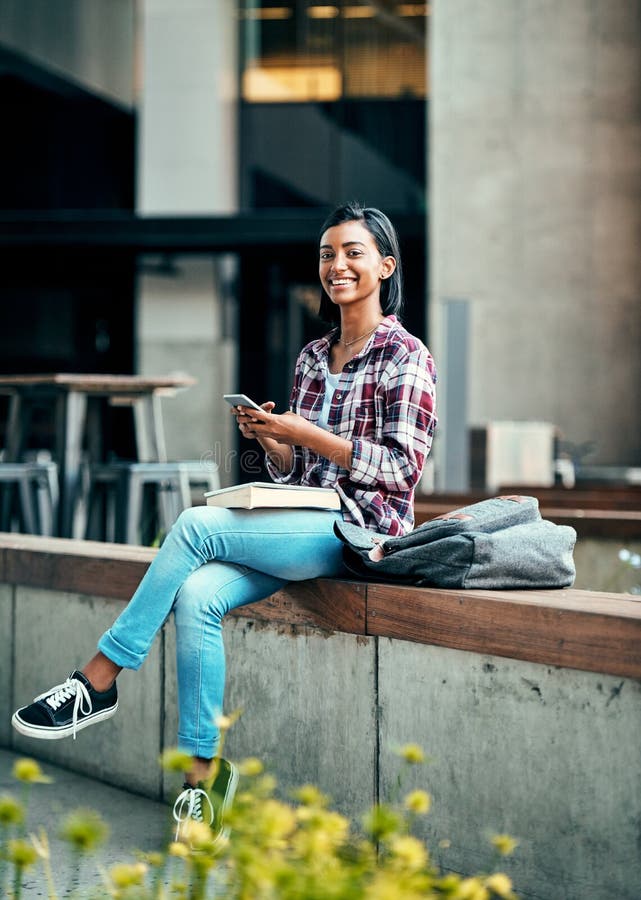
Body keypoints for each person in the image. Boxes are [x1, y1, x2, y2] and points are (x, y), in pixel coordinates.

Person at [11, 202, 437, 842]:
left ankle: (97, 680)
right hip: (305, 519)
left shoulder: (406, 355)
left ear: (386, 266)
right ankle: (201, 784)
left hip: (362, 533)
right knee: (198, 594)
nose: (337, 265)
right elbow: (298, 474)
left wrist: (306, 434)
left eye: (353, 253)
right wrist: (274, 441)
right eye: (327, 254)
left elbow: (402, 469)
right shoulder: (312, 356)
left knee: (194, 525)